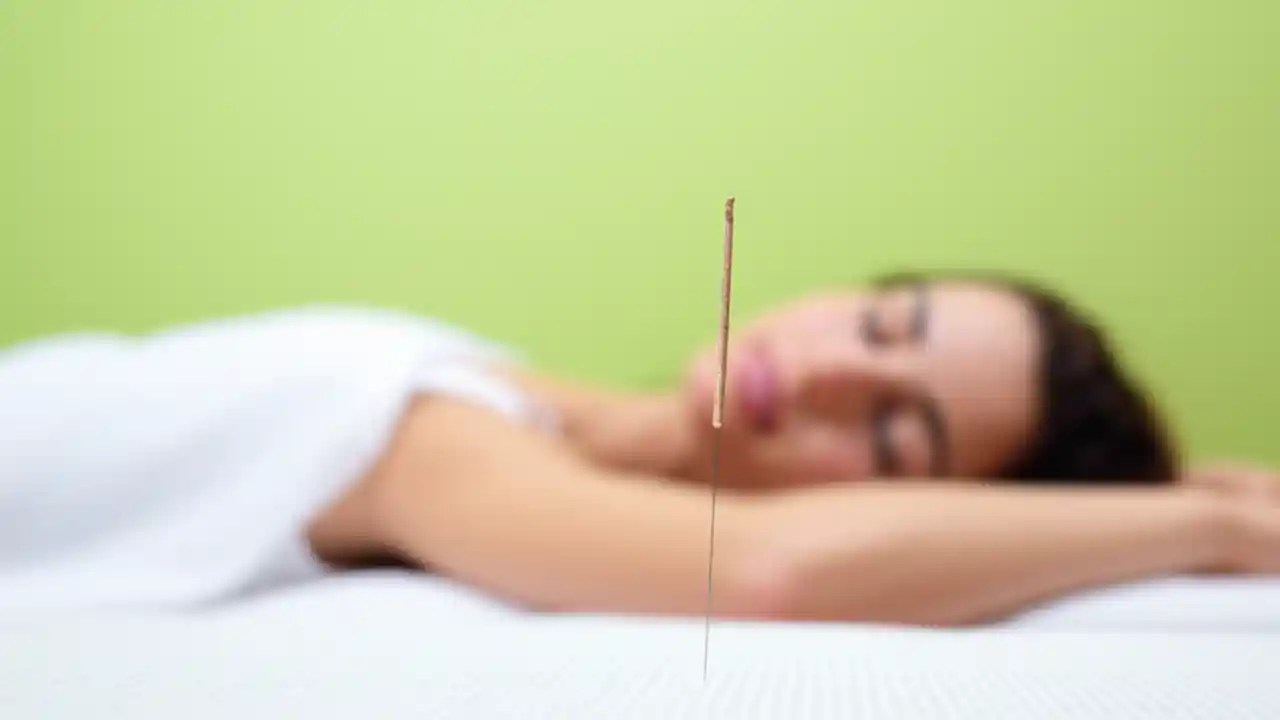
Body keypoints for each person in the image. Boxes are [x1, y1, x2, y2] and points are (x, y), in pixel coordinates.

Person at [1, 273, 1276, 621]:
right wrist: (1199, 513)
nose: (834, 367)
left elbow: (769, 571)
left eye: (896, 429)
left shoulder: (446, 450)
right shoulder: (469, 397)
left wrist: (1206, 529)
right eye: (885, 320)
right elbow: (771, 565)